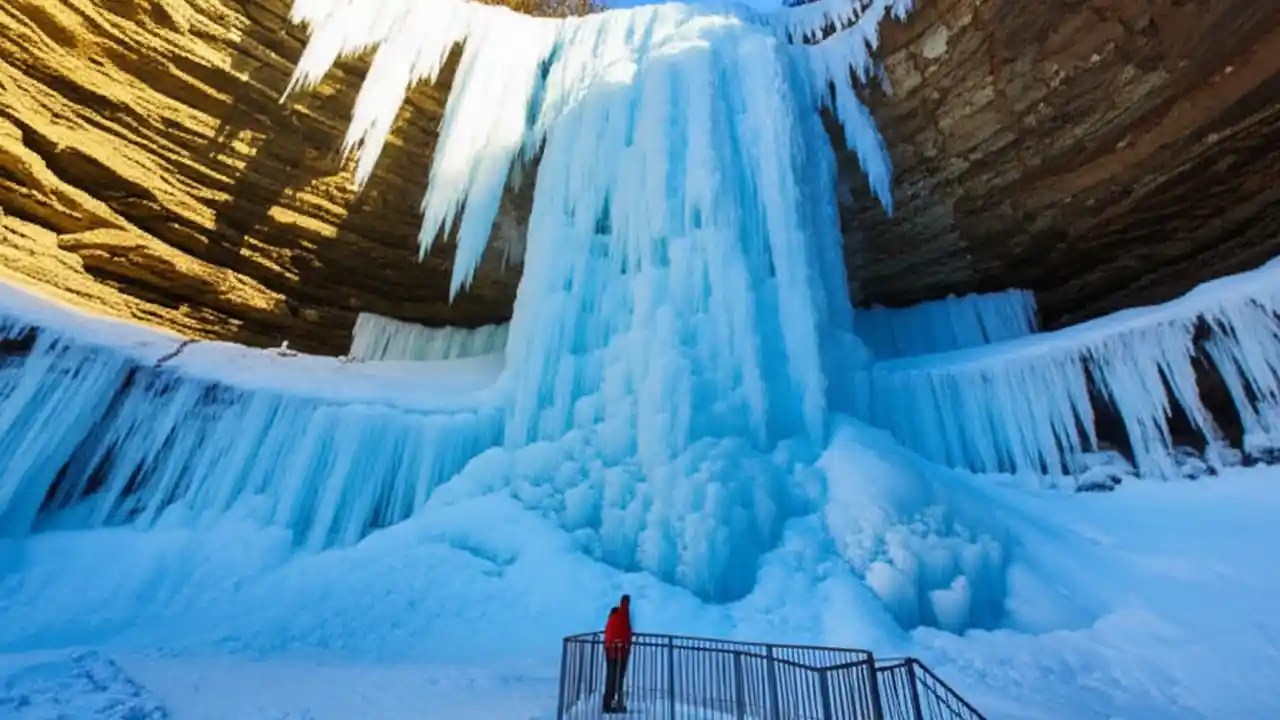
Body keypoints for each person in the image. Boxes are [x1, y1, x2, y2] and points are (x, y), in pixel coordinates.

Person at [602, 594, 632, 713]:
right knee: (618, 678)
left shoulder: (612, 618)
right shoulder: (623, 615)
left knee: (611, 677)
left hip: (611, 650)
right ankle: (615, 703)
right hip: (620, 652)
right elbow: (625, 632)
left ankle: (608, 703)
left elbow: (610, 633)